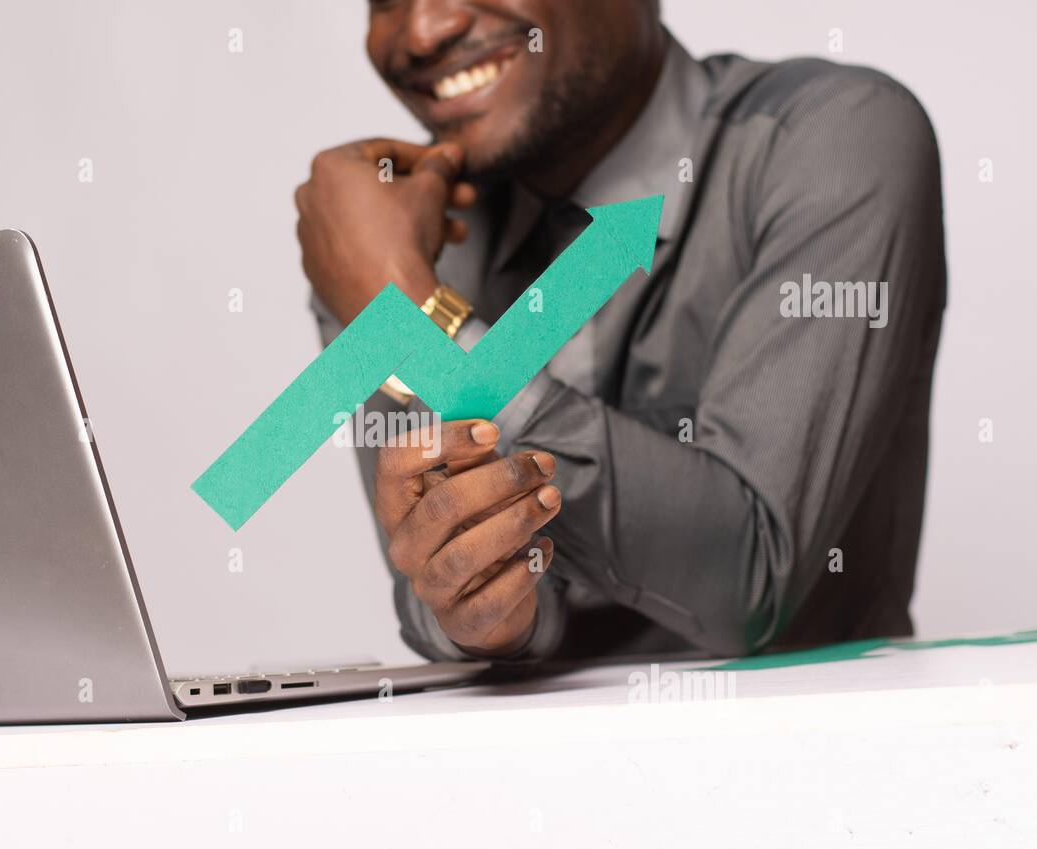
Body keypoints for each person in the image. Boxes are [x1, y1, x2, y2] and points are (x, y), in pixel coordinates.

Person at [295, 0, 946, 663]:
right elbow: (443, 590)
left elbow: (751, 579)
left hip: (821, 749)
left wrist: (418, 322)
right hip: (520, 755)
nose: (423, 30)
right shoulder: (393, 237)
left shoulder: (836, 136)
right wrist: (482, 608)